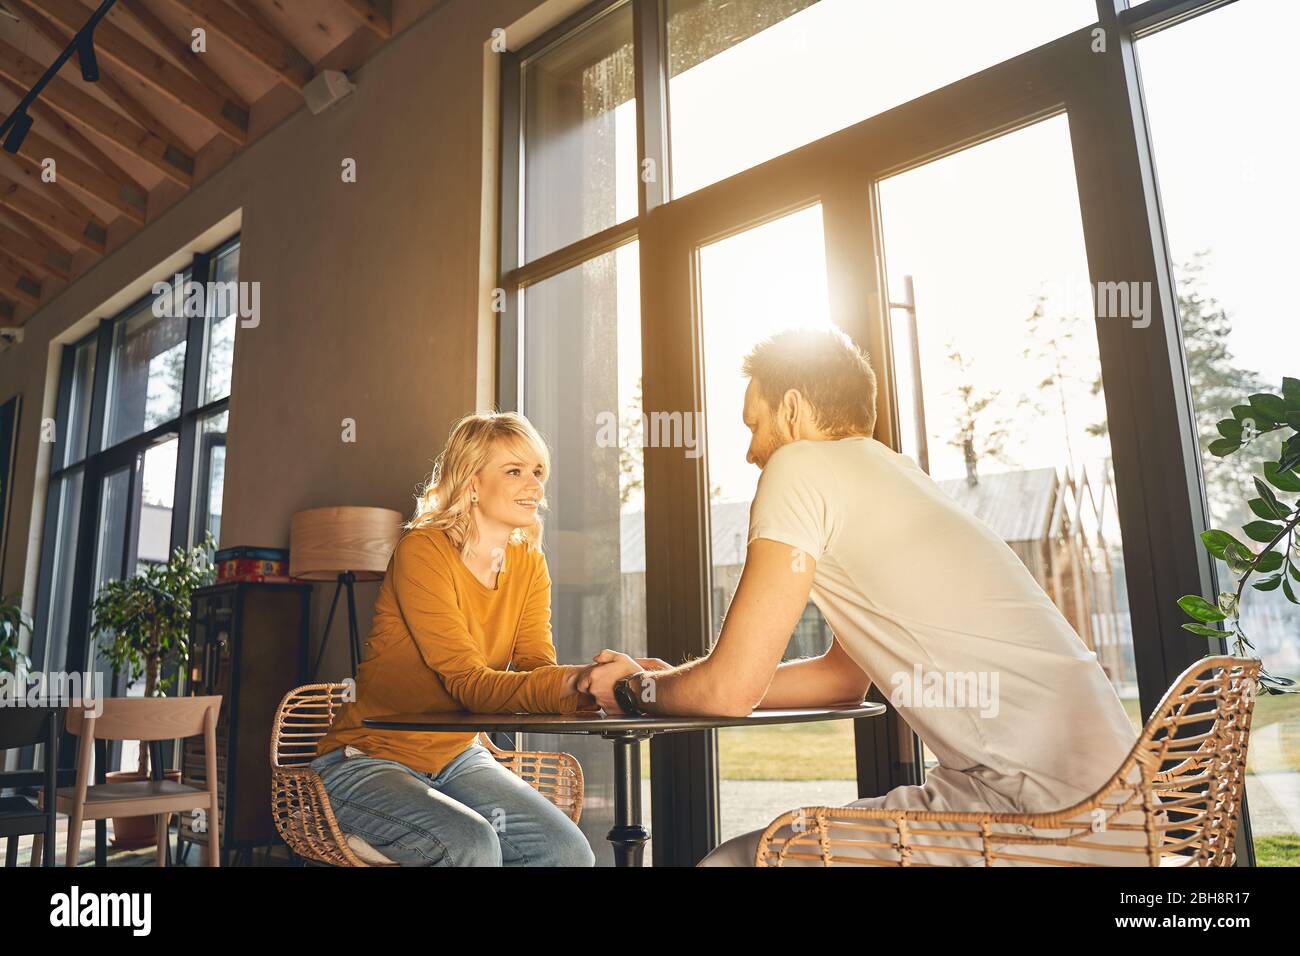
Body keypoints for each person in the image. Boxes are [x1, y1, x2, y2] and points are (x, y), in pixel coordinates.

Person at [579, 327, 1147, 866]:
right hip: (1118, 809)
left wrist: (633, 690)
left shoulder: (799, 466)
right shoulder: (900, 476)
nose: (752, 451)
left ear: (794, 409)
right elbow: (839, 678)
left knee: (733, 861)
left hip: (1038, 816)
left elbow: (730, 691)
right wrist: (681, 681)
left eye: (754, 424)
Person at [312, 412, 609, 866]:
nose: (535, 486)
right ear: (472, 483)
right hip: (366, 760)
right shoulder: (422, 551)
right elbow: (468, 683)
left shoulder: (528, 563)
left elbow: (536, 670)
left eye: (537, 472)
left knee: (568, 853)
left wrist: (598, 685)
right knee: (472, 844)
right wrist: (578, 682)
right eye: (514, 471)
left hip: (457, 757)